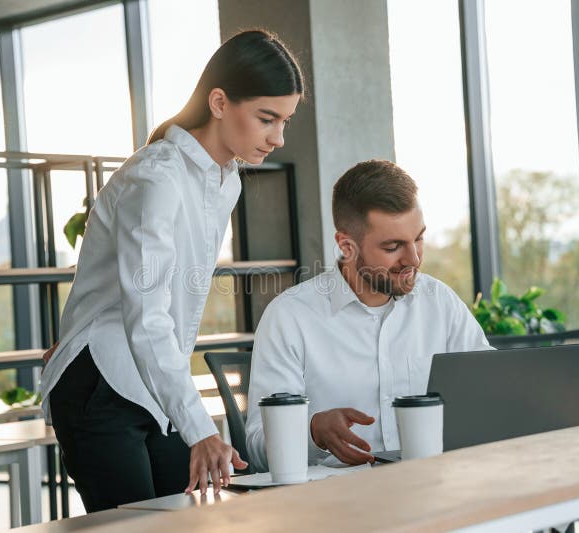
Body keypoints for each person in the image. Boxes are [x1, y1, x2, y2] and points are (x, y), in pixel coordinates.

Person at [39, 29, 304, 512]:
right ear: (219, 102)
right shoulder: (156, 177)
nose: (278, 137)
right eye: (267, 118)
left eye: (284, 120)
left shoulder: (227, 181)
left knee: (185, 520)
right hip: (102, 382)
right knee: (138, 525)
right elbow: (147, 310)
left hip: (154, 384)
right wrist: (200, 428)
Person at [244, 160, 492, 472]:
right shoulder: (290, 317)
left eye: (418, 238)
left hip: (434, 484)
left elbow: (491, 389)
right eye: (393, 247)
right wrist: (312, 432)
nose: (413, 259)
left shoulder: (439, 302)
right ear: (347, 246)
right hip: (339, 504)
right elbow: (256, 446)